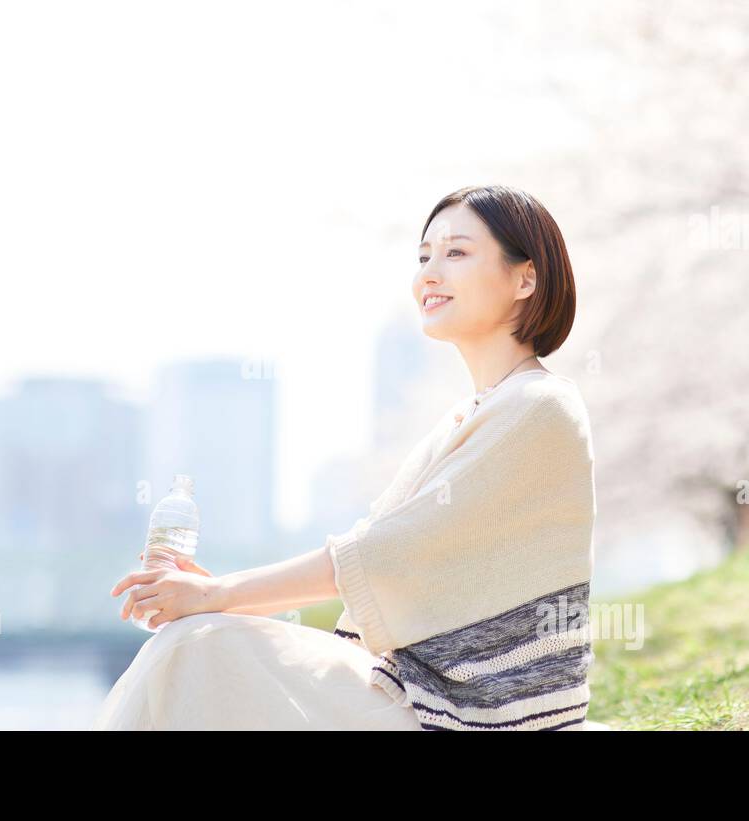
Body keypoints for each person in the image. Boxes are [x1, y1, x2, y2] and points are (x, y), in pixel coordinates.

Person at [93, 184, 601, 730]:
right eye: (424, 256)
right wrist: (218, 598)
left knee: (193, 646)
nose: (429, 274)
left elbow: (382, 554)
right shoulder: (472, 414)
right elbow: (387, 566)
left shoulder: (537, 404)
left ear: (526, 277)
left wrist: (216, 595)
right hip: (423, 692)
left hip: (470, 714)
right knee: (199, 643)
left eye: (456, 253)